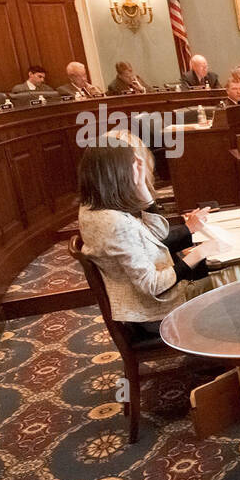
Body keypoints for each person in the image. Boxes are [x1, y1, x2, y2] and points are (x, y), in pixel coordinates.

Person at [76, 138, 221, 338]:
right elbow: (152, 285)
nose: (141, 169)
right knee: (230, 284)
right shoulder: (115, 222)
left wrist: (144, 192)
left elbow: (157, 235)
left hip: (144, 306)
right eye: (134, 165)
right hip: (156, 314)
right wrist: (200, 252)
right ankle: (230, 356)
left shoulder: (92, 208)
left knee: (220, 276)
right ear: (118, 173)